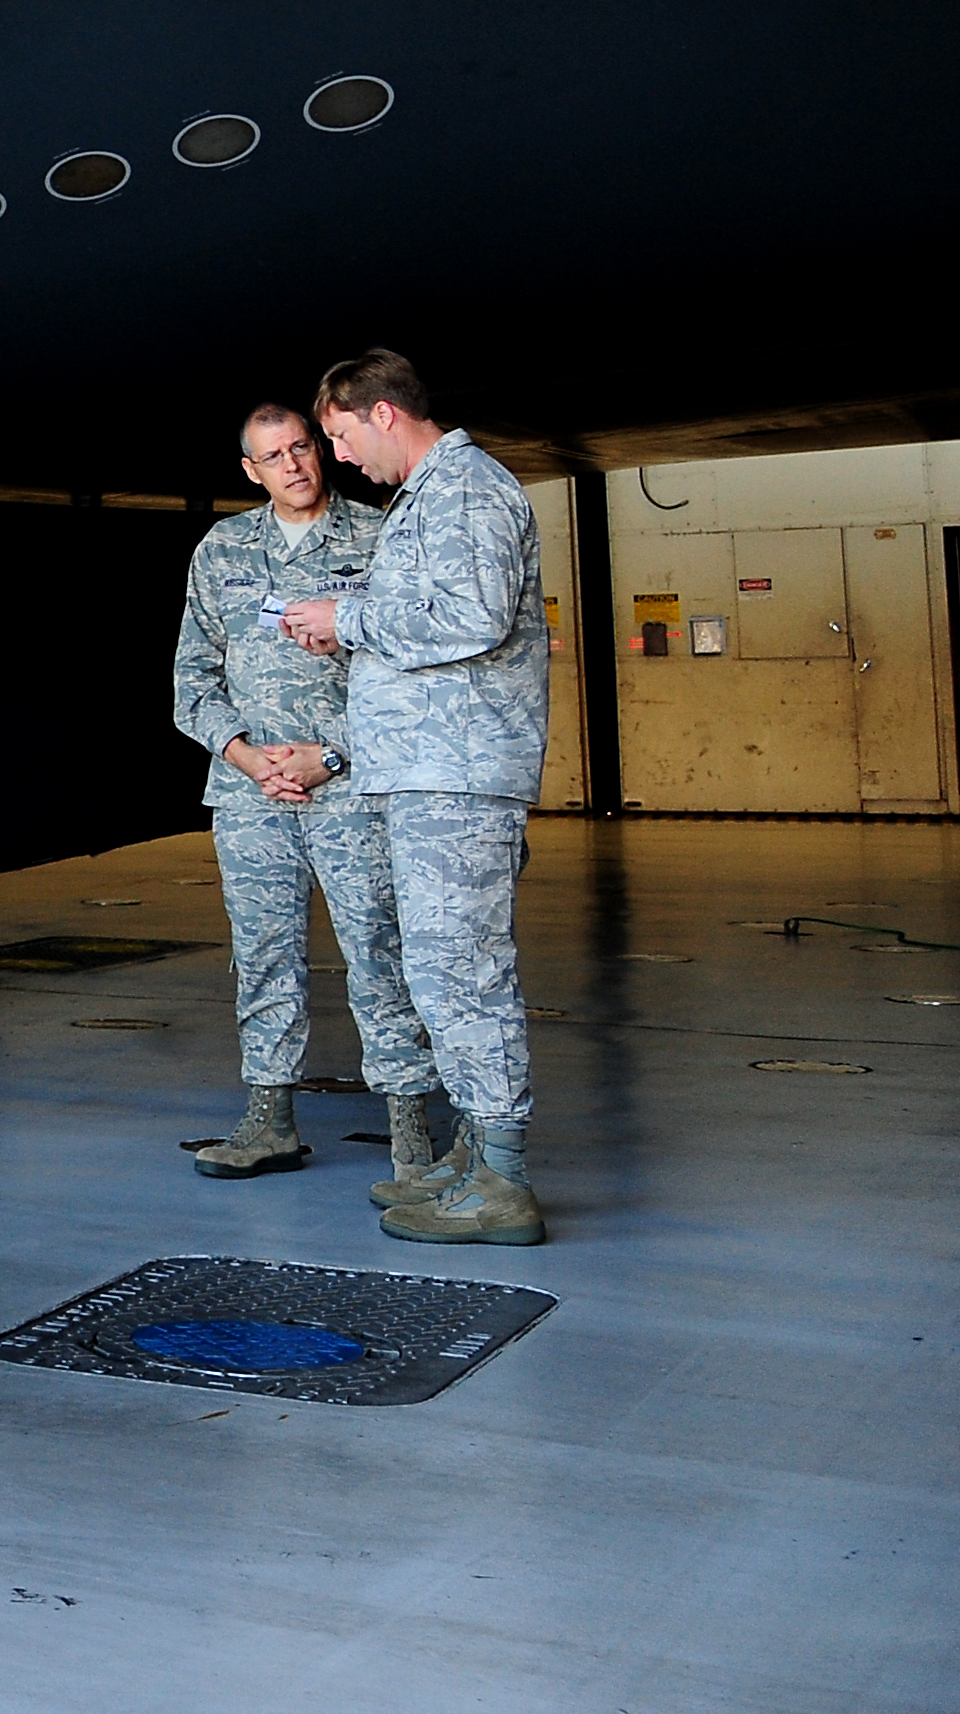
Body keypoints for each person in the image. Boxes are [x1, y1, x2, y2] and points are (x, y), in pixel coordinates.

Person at [279, 348, 551, 1248]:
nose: (342, 457)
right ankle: (478, 1158)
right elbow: (433, 609)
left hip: (460, 778)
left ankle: (503, 1182)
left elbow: (475, 616)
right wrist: (346, 612)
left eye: (344, 436)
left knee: (465, 973)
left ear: (383, 414)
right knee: (441, 975)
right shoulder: (429, 499)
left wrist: (346, 619)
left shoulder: (467, 489)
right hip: (428, 772)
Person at [170, 404, 445, 1185]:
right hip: (251, 797)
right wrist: (249, 757)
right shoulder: (222, 550)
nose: (292, 465)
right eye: (272, 456)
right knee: (263, 958)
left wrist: (332, 755)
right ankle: (269, 1123)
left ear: (320, 452)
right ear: (250, 471)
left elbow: (411, 673)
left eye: (301, 447)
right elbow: (192, 679)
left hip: (353, 791)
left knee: (378, 954)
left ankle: (410, 1135)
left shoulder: (378, 535)